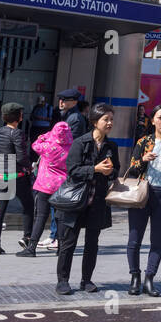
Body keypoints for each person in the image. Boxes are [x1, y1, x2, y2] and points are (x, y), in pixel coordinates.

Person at [55, 103, 118, 295]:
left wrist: (110, 171)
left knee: (93, 243)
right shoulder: (80, 143)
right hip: (75, 201)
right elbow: (72, 170)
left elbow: (116, 171)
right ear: (94, 121)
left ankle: (86, 280)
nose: (109, 123)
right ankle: (63, 281)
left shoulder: (111, 146)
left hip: (97, 201)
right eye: (105, 119)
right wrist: (95, 169)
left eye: (111, 120)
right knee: (68, 243)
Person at [125, 105, 161, 296]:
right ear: (153, 120)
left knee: (157, 240)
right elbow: (132, 169)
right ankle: (135, 277)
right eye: (160, 117)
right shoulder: (144, 141)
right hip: (142, 193)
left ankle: (150, 278)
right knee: (134, 239)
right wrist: (143, 159)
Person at [19, 120, 73, 255]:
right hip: (62, 186)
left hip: (45, 186)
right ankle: (61, 248)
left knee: (41, 217)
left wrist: (46, 136)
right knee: (60, 218)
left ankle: (31, 248)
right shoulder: (72, 147)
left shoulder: (48, 146)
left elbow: (34, 145)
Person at [0, 103, 34, 255]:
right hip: (16, 176)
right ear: (19, 116)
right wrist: (30, 166)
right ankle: (27, 237)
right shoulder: (17, 133)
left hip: (0, 175)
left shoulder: (1, 131)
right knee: (28, 206)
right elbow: (21, 156)